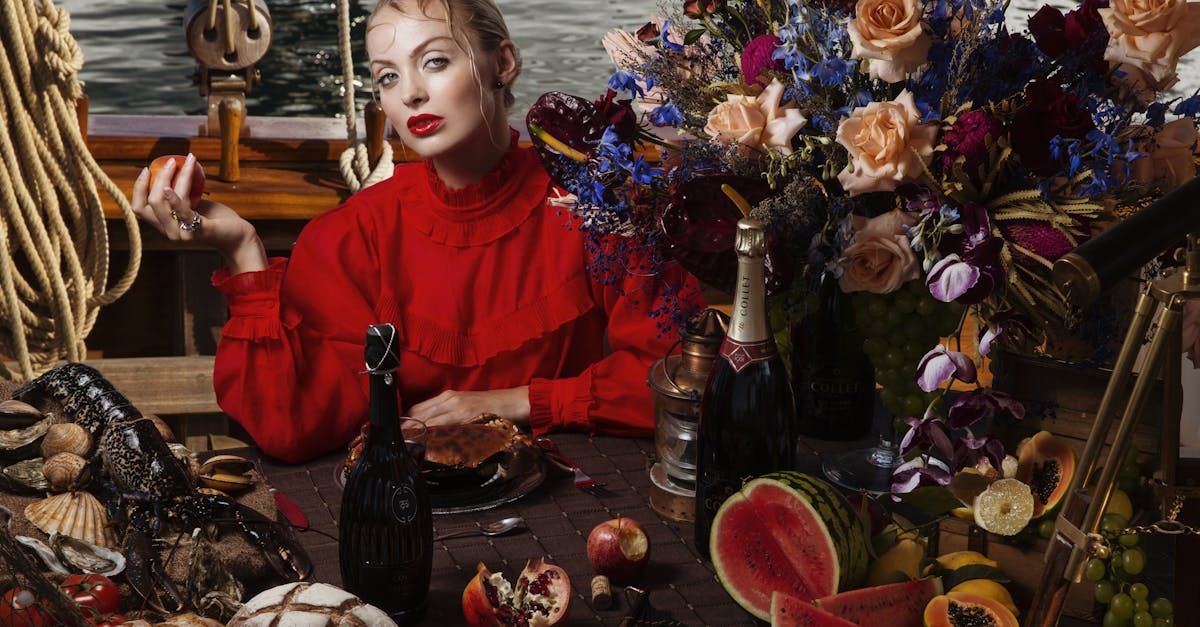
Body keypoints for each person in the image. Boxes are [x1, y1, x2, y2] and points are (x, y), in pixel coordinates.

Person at [129, 0, 705, 463]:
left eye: (434, 62)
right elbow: (290, 427)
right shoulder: (354, 236)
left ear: (501, 63)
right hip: (417, 512)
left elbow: (686, 380)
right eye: (386, 76)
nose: (410, 95)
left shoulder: (594, 201)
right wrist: (241, 249)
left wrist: (517, 401)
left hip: (569, 487)